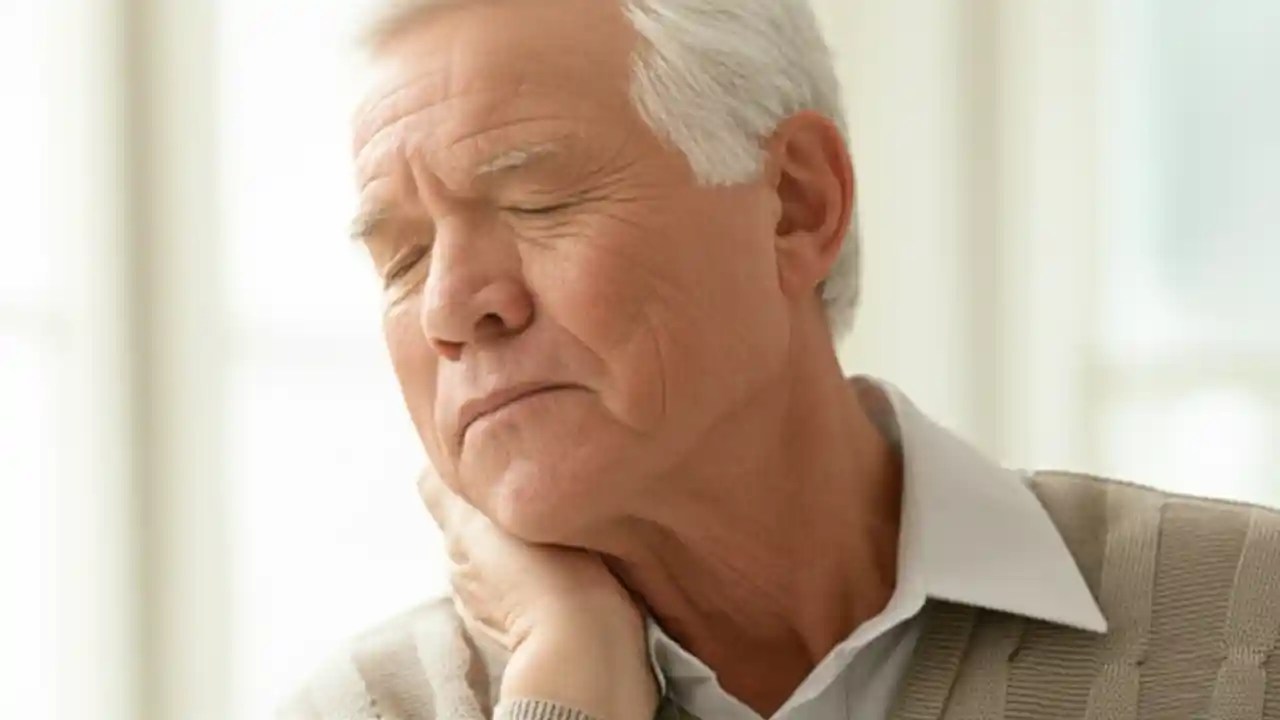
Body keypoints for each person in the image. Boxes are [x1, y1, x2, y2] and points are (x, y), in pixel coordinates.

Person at [282, 0, 1280, 718]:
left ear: (796, 206)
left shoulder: (1252, 621)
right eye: (402, 259)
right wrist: (566, 678)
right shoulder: (370, 708)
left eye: (536, 202)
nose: (452, 308)